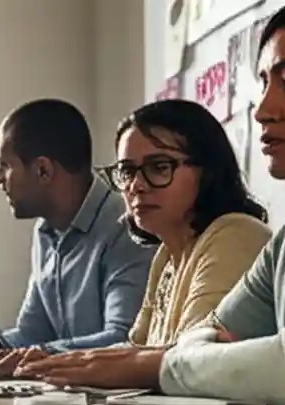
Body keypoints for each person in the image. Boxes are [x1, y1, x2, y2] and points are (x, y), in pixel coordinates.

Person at [22, 0, 285, 405]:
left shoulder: (236, 234)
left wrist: (164, 363)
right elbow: (200, 339)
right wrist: (189, 357)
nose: (264, 111)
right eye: (263, 84)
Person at [0, 99, 155, 379]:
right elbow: (33, 333)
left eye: (5, 165)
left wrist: (39, 356)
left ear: (43, 170)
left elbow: (124, 340)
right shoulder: (45, 231)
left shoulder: (127, 225)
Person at [103, 99, 271, 346]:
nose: (136, 186)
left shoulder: (236, 235)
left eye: (159, 167)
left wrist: (79, 365)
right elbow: (135, 348)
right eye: (127, 172)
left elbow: (189, 358)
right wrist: (55, 363)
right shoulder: (166, 256)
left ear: (208, 171)